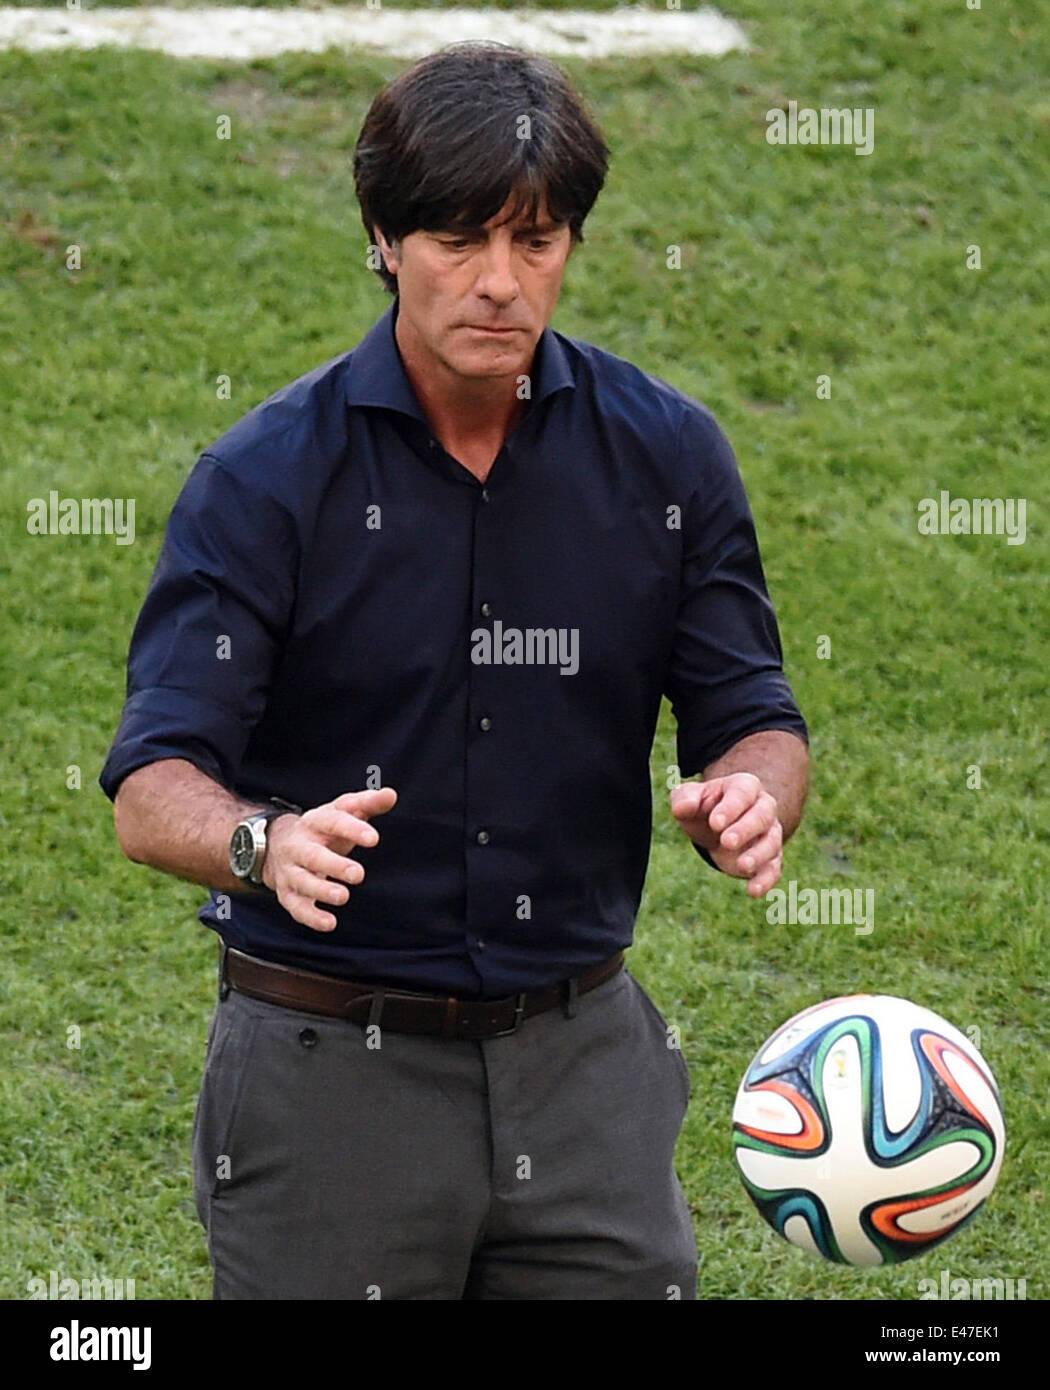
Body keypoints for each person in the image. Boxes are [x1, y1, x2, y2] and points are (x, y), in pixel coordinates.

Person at [101, 41, 809, 1300]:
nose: (499, 284)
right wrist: (266, 843)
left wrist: (752, 794)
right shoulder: (265, 480)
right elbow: (155, 783)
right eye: (459, 240)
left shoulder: (668, 460)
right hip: (331, 1082)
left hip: (586, 1077)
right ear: (383, 235)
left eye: (535, 241)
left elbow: (755, 715)